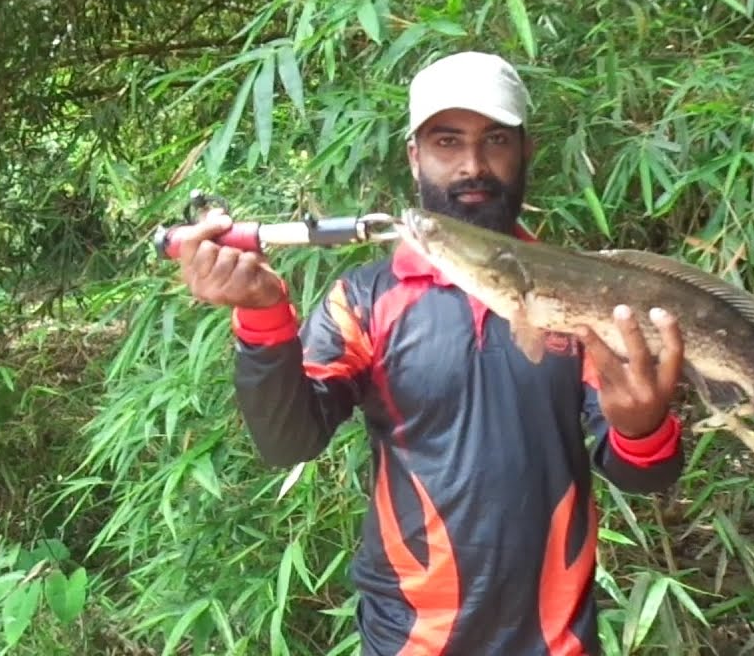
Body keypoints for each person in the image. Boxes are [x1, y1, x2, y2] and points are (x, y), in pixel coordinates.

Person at [176, 51, 687, 656]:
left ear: (526, 150)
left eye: (495, 139)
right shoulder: (364, 301)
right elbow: (289, 440)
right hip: (411, 641)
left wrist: (642, 428)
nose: (473, 165)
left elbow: (644, 475)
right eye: (447, 141)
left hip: (558, 642)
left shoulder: (583, 299)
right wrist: (263, 312)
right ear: (415, 156)